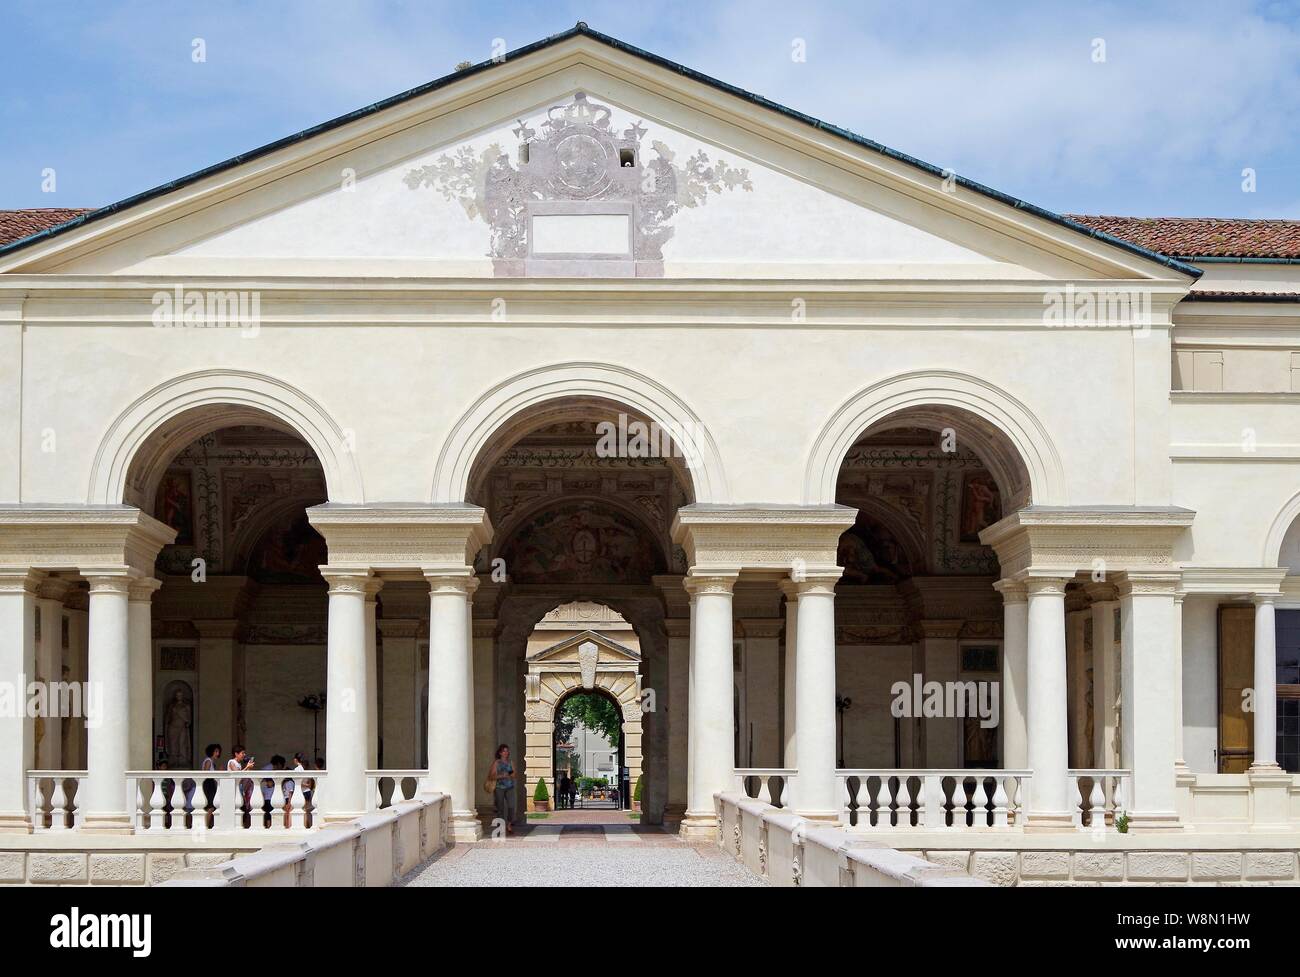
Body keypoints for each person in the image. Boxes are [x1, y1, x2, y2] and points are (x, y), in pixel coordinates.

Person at [485, 744, 517, 835]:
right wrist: (501, 776)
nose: (506, 753)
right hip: (499, 788)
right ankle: (501, 827)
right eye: (504, 751)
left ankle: (509, 824)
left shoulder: (511, 762)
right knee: (500, 808)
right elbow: (491, 775)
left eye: (507, 751)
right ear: (500, 753)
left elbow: (514, 774)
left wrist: (510, 774)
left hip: (510, 787)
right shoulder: (497, 763)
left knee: (511, 806)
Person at [227, 745, 256, 826]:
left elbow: (243, 778)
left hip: (239, 788)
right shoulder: (232, 762)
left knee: (243, 808)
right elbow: (237, 774)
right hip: (232, 788)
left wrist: (248, 768)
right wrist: (247, 767)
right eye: (242, 753)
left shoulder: (239, 764)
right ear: (236, 754)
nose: (244, 755)